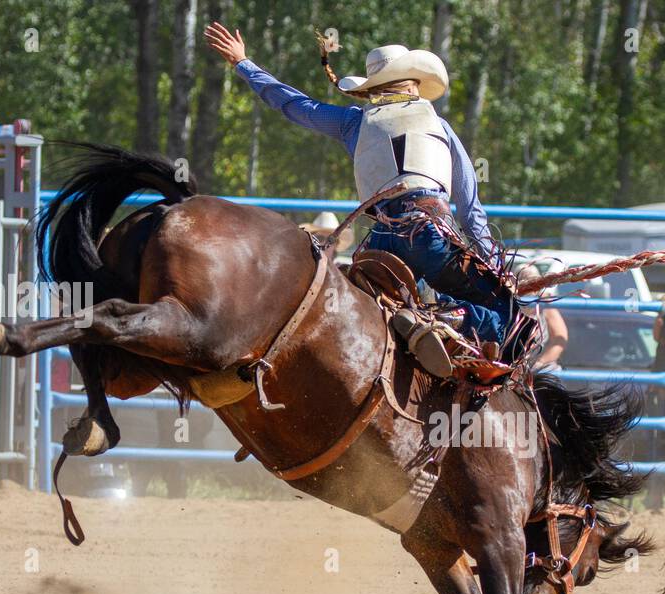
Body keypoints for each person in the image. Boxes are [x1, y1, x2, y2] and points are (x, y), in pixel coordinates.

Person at [205, 22, 512, 378]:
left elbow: (294, 105)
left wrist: (244, 63)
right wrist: (494, 264)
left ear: (371, 89)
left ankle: (414, 322)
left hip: (380, 244)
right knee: (508, 315)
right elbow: (470, 208)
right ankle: (443, 315)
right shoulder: (439, 127)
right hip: (432, 237)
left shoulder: (353, 122)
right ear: (413, 83)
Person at [516, 264, 568, 369]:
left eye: (533, 281)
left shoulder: (545, 305)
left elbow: (559, 340)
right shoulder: (507, 303)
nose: (528, 285)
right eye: (522, 280)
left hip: (540, 364)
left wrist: (540, 363)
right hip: (511, 364)